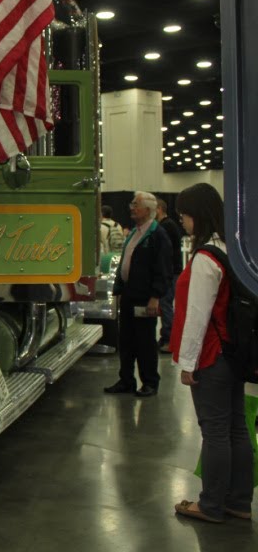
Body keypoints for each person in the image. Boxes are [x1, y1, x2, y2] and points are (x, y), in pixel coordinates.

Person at [169, 182, 254, 523]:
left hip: (211, 355)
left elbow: (197, 315)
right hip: (233, 354)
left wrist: (188, 363)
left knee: (215, 431)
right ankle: (238, 501)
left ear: (198, 216)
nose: (184, 222)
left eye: (185, 215)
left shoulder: (206, 258)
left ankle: (211, 504)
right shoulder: (233, 249)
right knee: (236, 429)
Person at [105, 190, 173, 397]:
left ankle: (150, 381)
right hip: (128, 295)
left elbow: (163, 269)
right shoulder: (135, 232)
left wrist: (155, 297)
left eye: (136, 204)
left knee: (144, 342)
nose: (131, 207)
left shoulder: (157, 235)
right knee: (125, 341)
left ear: (148, 210)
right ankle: (126, 380)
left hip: (145, 298)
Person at [156, 197, 185, 351]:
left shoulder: (166, 226)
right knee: (165, 304)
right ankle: (166, 337)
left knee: (166, 305)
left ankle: (170, 340)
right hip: (170, 272)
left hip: (171, 273)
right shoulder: (166, 225)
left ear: (159, 209)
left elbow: (165, 253)